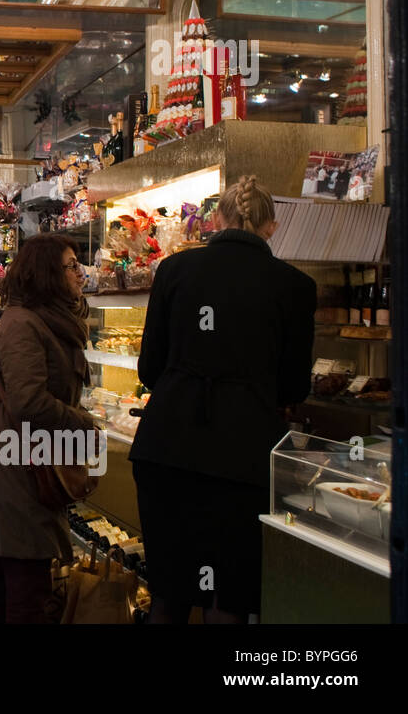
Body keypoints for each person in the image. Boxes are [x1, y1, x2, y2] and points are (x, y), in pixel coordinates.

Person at [131, 175, 315, 624]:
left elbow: (150, 369)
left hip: (167, 448)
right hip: (243, 456)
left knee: (171, 590)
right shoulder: (295, 286)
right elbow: (293, 388)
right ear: (271, 226)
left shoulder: (174, 270)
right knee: (227, 596)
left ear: (216, 219)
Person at [0, 233, 95, 623]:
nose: (79, 274)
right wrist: (83, 424)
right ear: (48, 274)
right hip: (17, 465)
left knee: (13, 572)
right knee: (28, 579)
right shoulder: (23, 324)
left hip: (28, 459)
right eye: (71, 266)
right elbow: (29, 401)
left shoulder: (50, 320)